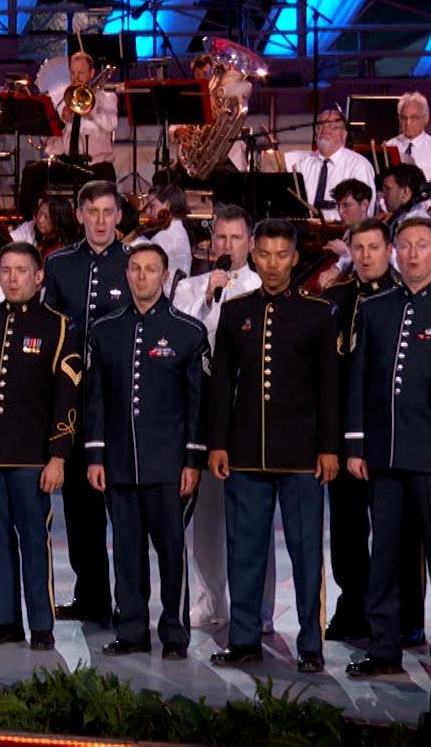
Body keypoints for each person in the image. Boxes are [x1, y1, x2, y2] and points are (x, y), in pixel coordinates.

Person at [344, 217, 431, 678]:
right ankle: (383, 648)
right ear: (395, 252)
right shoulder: (374, 308)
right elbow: (359, 380)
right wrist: (356, 444)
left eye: (422, 245)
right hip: (383, 455)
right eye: (404, 246)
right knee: (383, 554)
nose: (412, 253)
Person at [204, 220, 339, 673]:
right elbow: (222, 384)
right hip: (246, 452)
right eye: (265, 254)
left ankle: (311, 645)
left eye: (283, 255)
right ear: (254, 257)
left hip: (302, 456)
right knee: (245, 551)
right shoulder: (236, 310)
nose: (274, 263)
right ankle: (243, 639)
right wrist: (217, 443)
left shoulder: (318, 312)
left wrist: (328, 448)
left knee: (306, 555)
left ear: (295, 258)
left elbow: (329, 388)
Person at [0, 242, 80, 651]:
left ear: (38, 276)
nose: (12, 278)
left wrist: (58, 456)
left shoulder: (58, 326)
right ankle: (4, 620)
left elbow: (67, 395)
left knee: (34, 541)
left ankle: (41, 623)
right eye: (6, 270)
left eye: (21, 270)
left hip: (32, 459)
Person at [82, 242, 203, 660]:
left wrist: (192, 460)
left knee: (172, 554)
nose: (142, 276)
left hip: (169, 466)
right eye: (135, 269)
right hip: (118, 463)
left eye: (151, 269)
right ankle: (131, 629)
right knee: (128, 553)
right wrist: (95, 456)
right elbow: (94, 399)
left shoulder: (189, 331)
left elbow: (196, 404)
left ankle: (175, 634)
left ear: (165, 275)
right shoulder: (103, 329)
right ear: (126, 273)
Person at [169, 205, 266, 630]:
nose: (227, 247)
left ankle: (257, 607)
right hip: (202, 413)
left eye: (236, 239)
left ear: (250, 242)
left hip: (248, 413)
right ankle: (212, 600)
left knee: (250, 515)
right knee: (206, 515)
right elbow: (178, 340)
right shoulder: (190, 287)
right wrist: (208, 295)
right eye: (220, 239)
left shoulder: (265, 286)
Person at [38, 181, 128, 626]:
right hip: (72, 401)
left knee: (124, 508)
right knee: (79, 508)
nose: (99, 220)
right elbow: (50, 328)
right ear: (79, 215)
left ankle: (128, 601)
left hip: (121, 401)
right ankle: (91, 596)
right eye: (92, 211)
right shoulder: (57, 265)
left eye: (108, 212)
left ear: (118, 217)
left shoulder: (134, 264)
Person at [318, 219, 408, 643]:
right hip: (343, 435)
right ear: (350, 250)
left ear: (389, 249)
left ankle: (401, 616)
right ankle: (352, 607)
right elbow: (327, 374)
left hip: (392, 433)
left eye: (375, 247)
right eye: (360, 247)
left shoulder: (406, 298)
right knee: (348, 528)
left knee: (398, 530)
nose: (367, 255)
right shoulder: (335, 299)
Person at [291, 107, 376, 221]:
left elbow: (365, 213)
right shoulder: (302, 164)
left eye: (333, 127)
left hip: (343, 231)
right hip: (306, 231)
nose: (325, 131)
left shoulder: (359, 165)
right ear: (316, 133)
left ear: (344, 135)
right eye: (321, 126)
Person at [385, 92, 431, 182]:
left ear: (426, 119)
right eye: (404, 118)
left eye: (414, 118)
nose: (408, 123)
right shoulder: (389, 146)